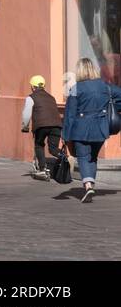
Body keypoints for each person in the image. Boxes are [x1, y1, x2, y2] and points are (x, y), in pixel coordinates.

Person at [61, 57, 121, 203]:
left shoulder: (76, 88)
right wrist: (110, 111)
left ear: (79, 71)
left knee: (83, 157)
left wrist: (65, 135)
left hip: (81, 128)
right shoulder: (106, 86)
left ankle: (88, 186)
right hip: (101, 128)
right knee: (92, 157)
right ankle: (91, 184)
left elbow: (69, 114)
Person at [21, 74, 62, 178]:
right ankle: (64, 156)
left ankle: (42, 169)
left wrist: (25, 126)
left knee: (39, 145)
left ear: (33, 87)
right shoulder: (51, 97)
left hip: (41, 126)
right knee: (53, 149)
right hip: (57, 125)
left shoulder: (31, 97)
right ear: (43, 86)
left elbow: (26, 113)